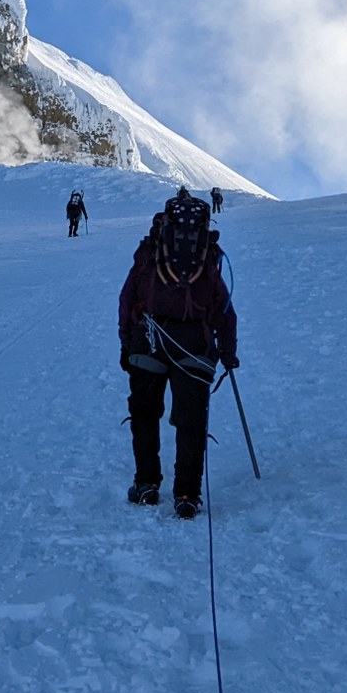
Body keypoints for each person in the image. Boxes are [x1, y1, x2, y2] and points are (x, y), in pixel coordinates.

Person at [117, 190, 238, 519]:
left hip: (149, 341)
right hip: (194, 346)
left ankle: (146, 484)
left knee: (144, 413)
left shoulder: (150, 252)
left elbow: (127, 297)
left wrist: (126, 343)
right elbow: (224, 309)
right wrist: (228, 352)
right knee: (191, 420)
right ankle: (187, 493)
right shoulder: (207, 254)